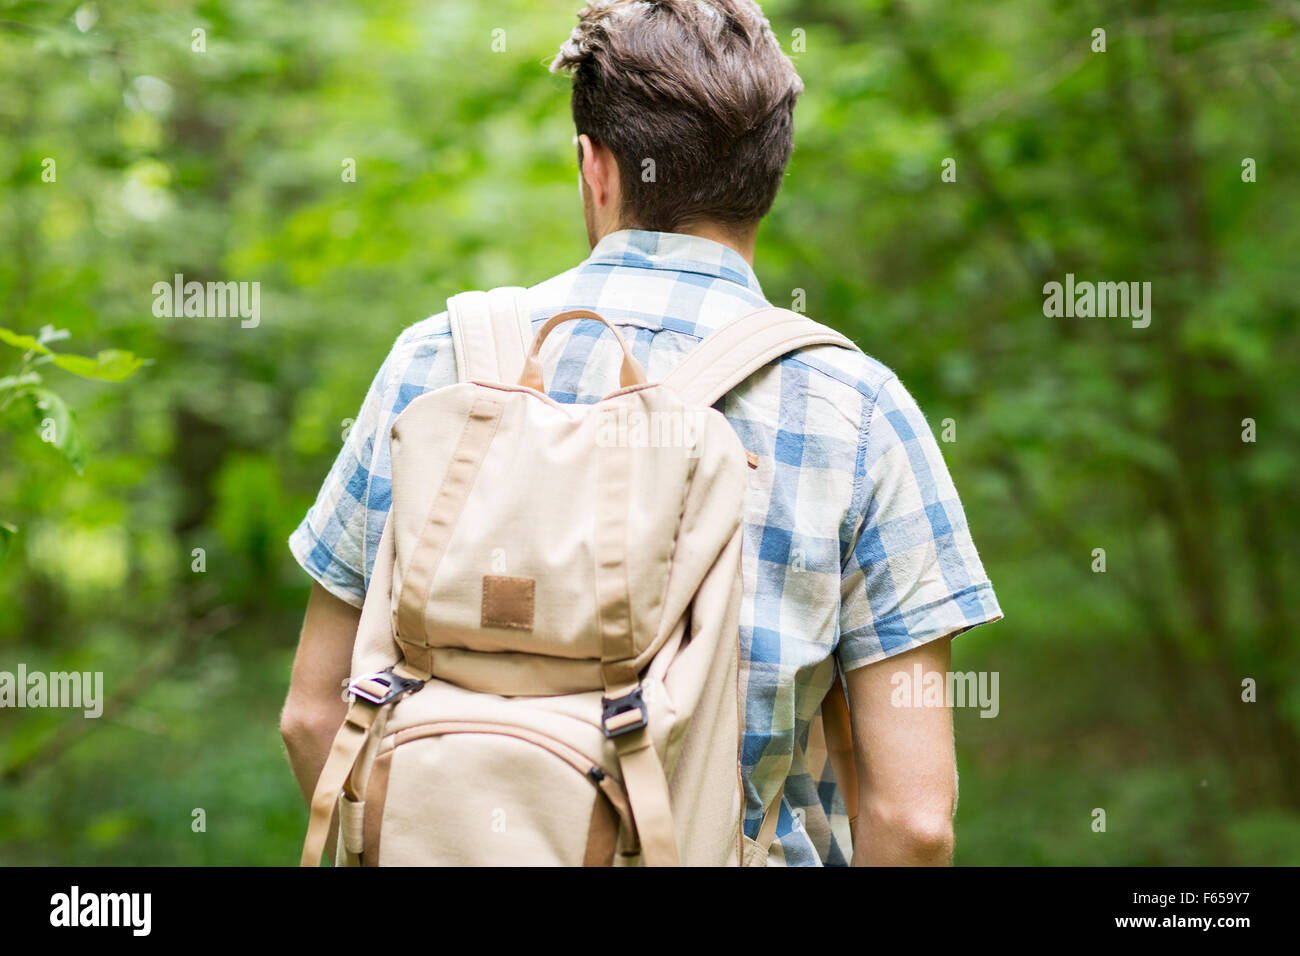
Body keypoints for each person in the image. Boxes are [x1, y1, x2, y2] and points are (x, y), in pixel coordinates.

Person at [280, 0, 1002, 866]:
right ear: (769, 178)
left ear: (595, 168)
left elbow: (315, 715)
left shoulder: (435, 365)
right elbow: (914, 822)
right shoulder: (856, 409)